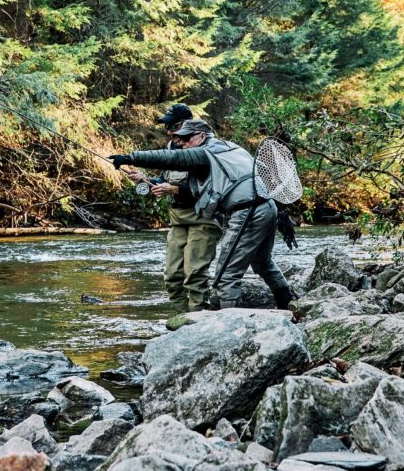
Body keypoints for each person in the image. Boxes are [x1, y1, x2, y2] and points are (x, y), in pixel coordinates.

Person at [111, 120, 294, 311]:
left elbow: (170, 159)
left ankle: (230, 326)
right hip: (268, 206)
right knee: (263, 263)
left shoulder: (205, 152)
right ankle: (289, 304)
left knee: (226, 275)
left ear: (202, 136)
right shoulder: (231, 147)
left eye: (187, 138)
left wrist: (130, 157)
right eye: (180, 139)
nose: (183, 143)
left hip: (248, 211)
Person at [121, 105, 222, 317]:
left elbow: (214, 189)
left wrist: (175, 189)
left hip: (203, 219)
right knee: (172, 276)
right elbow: (163, 181)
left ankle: (198, 324)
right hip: (177, 219)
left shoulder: (206, 148)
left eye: (174, 126)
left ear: (187, 125)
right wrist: (146, 180)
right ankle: (181, 322)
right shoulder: (170, 148)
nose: (169, 131)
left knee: (194, 275)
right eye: (167, 127)